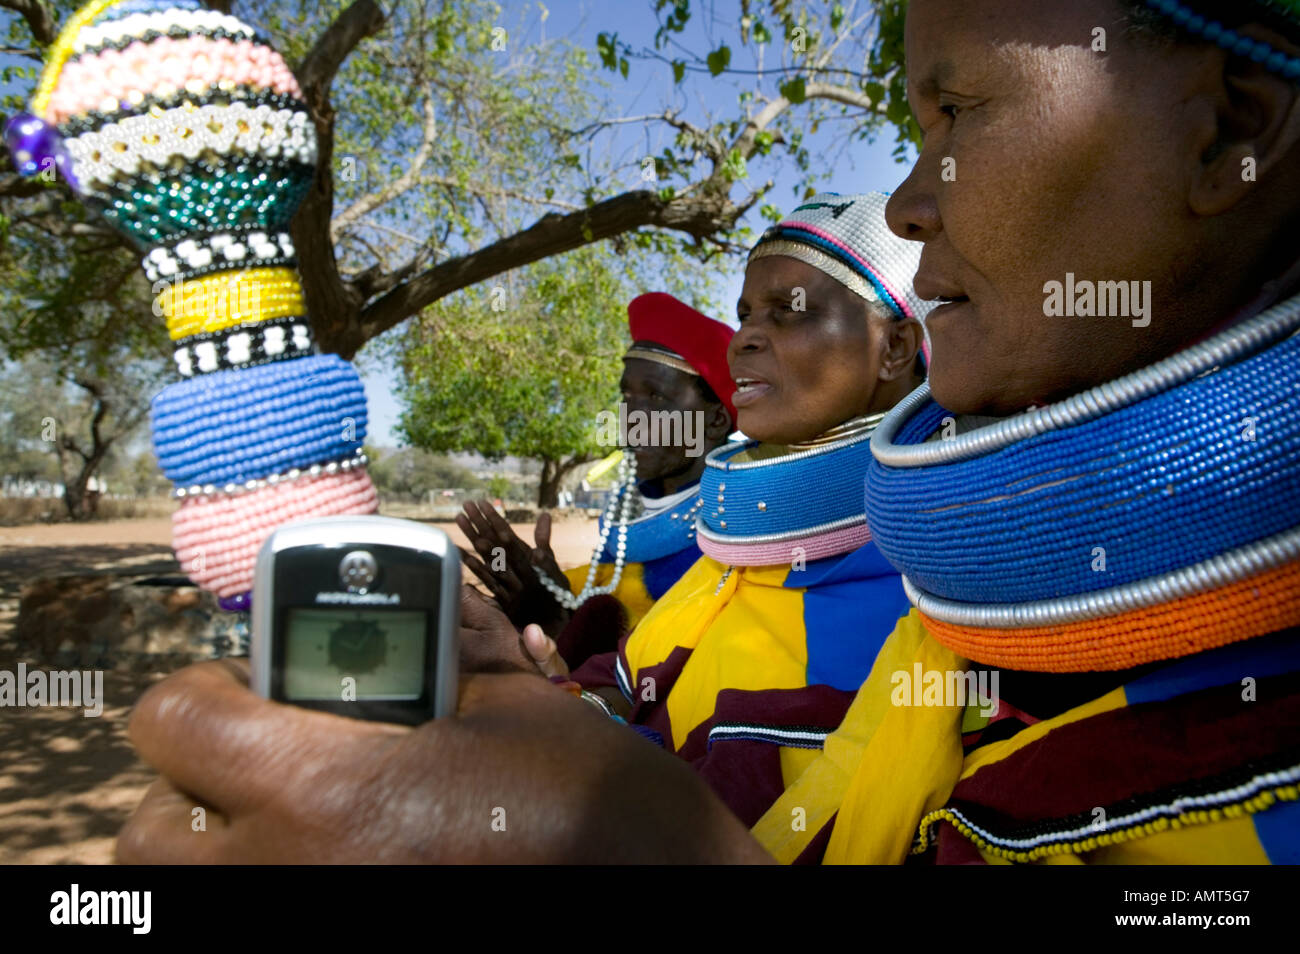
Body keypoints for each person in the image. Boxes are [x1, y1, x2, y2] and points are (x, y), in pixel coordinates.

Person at [119, 0, 1300, 865]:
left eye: (958, 108)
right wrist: (545, 701)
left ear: (1225, 133)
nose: (905, 194)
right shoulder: (958, 636)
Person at [527, 192, 931, 826]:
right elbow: (625, 685)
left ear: (895, 347)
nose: (744, 338)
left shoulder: (928, 588)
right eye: (745, 314)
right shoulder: (729, 559)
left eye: (787, 312)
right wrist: (556, 700)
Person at [456, 293, 735, 662]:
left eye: (656, 397)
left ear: (714, 421)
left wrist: (562, 626)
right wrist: (546, 597)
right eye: (626, 395)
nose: (630, 418)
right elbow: (595, 628)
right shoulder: (626, 515)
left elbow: (671, 662)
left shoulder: (738, 524)